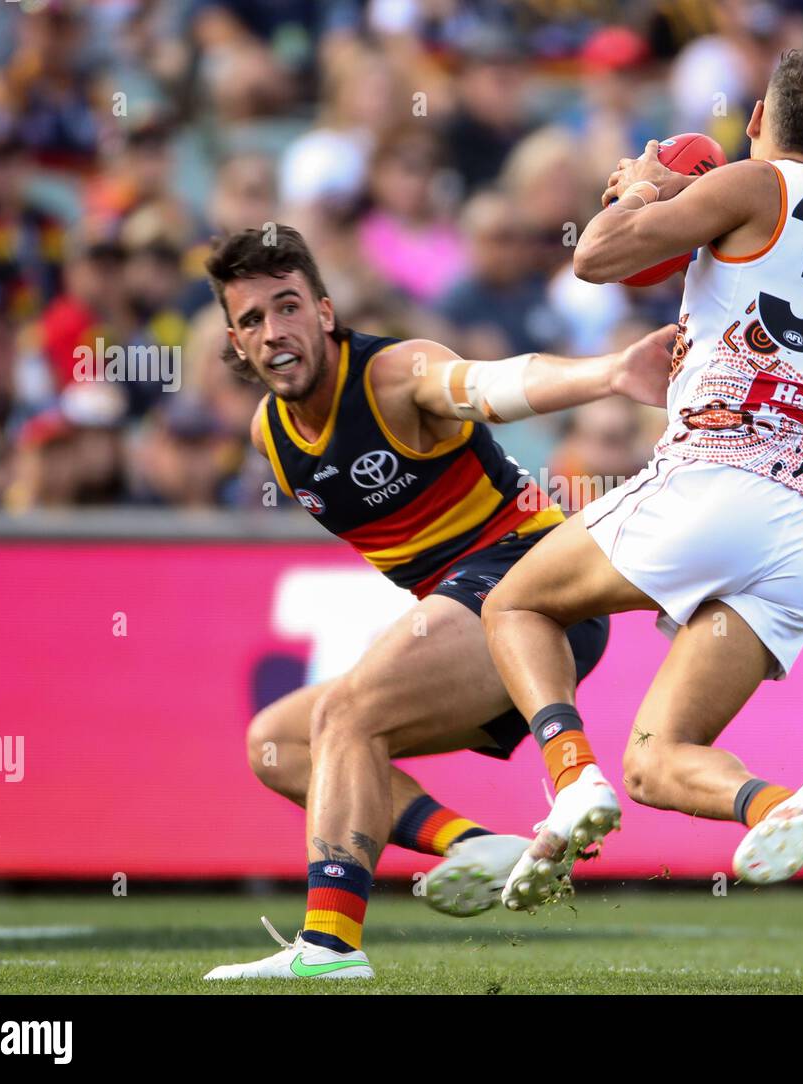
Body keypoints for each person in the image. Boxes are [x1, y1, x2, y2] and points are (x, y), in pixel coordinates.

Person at [199, 225, 673, 980]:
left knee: (345, 715)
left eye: (287, 307)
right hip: (464, 617)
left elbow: (491, 386)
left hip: (536, 592)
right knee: (281, 742)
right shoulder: (271, 436)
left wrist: (609, 373)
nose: (273, 331)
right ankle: (471, 845)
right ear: (236, 340)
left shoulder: (396, 373)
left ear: (324, 312)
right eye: (252, 320)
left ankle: (328, 948)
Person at [481, 45, 803, 911]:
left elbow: (595, 258)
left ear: (759, 123)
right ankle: (775, 803)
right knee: (658, 759)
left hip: (719, 480)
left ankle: (571, 778)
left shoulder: (753, 181)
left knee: (517, 603)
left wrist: (640, 188)